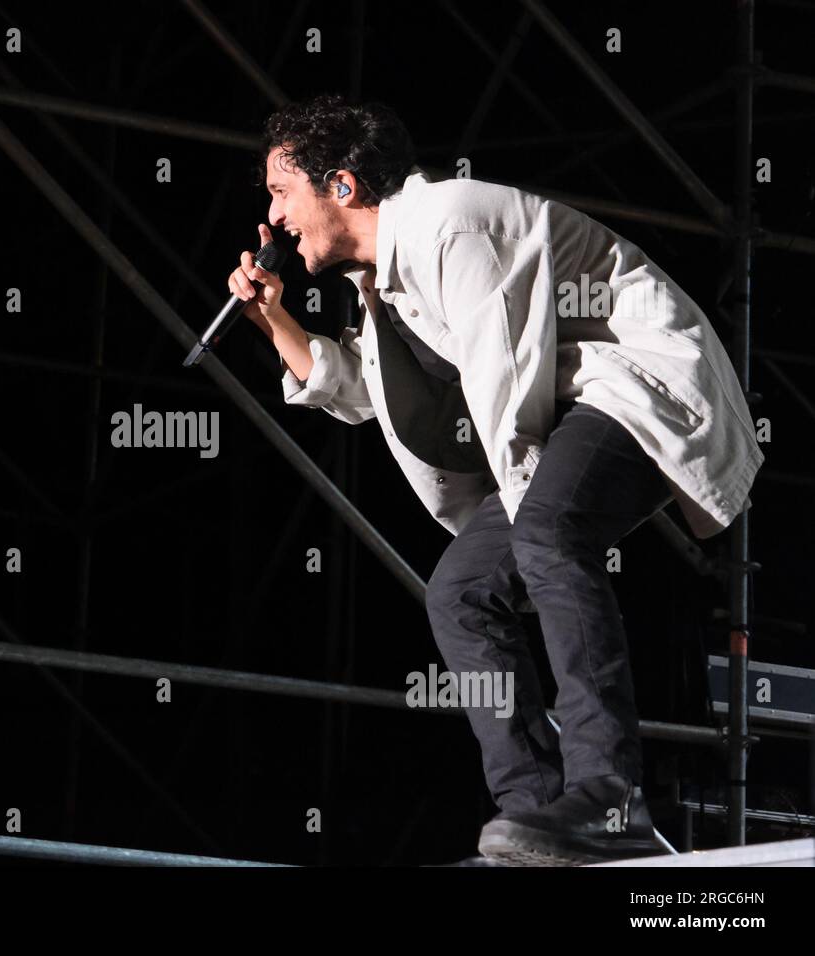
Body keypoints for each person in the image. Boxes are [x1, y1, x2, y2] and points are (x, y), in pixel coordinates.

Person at [230, 93, 763, 865]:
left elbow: (504, 391)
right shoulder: (385, 282)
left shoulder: (452, 225)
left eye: (281, 191)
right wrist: (277, 321)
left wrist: (533, 529)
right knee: (459, 592)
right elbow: (360, 392)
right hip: (576, 407)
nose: (273, 217)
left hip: (643, 380)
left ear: (341, 185)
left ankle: (610, 801)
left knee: (547, 530)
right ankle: (540, 818)